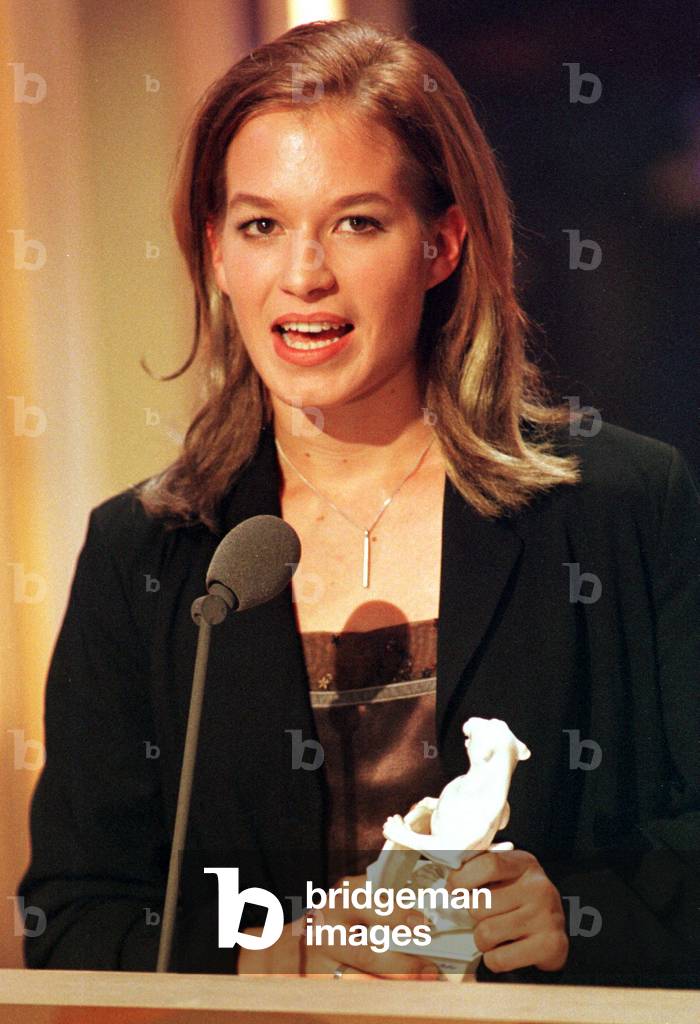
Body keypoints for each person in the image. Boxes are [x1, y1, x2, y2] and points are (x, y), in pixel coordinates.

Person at [18, 18, 699, 988]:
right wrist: (254, 963)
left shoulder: (620, 510)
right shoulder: (145, 552)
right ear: (215, 251)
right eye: (261, 226)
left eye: (357, 222)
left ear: (441, 243)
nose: (304, 275)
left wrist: (576, 918)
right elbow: (73, 918)